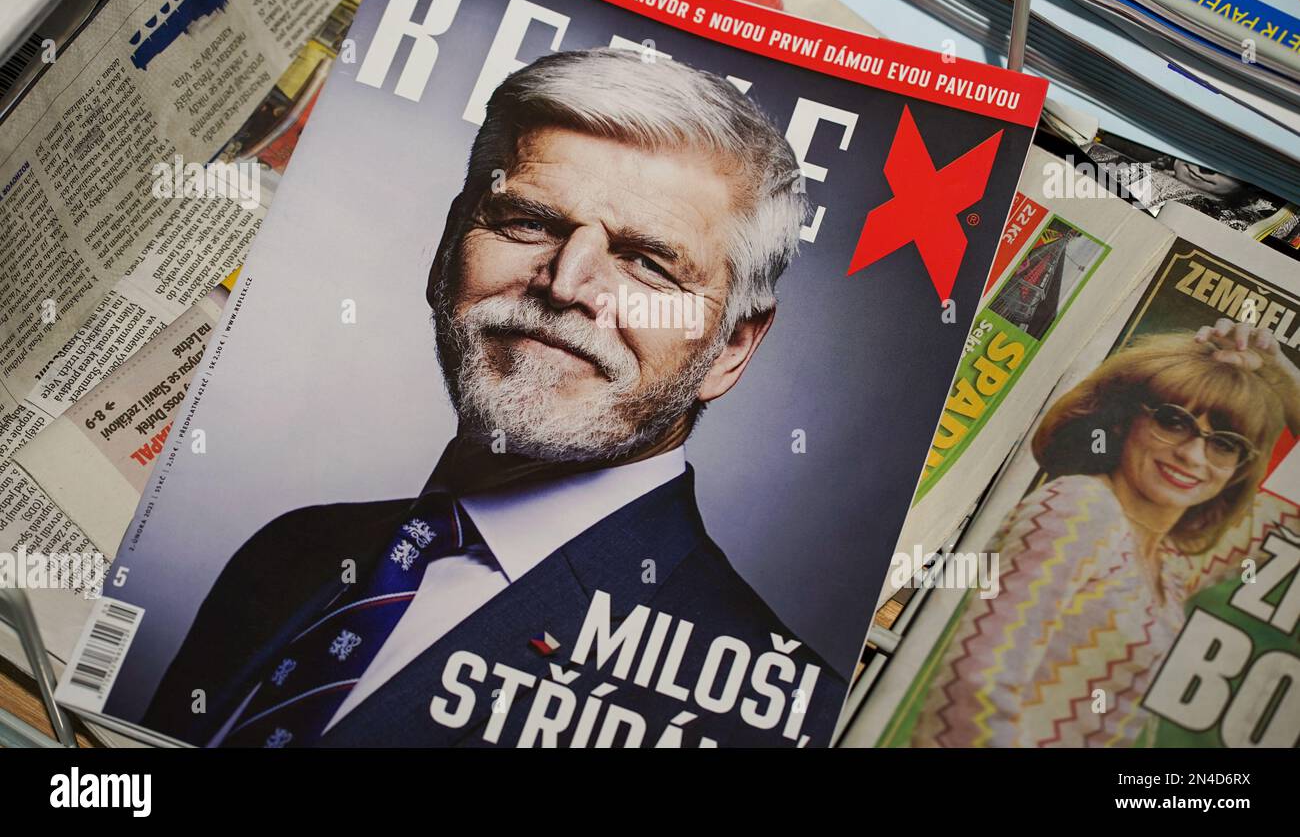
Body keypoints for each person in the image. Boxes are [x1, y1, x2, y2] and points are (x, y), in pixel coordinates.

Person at [144, 49, 843, 748]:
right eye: (530, 223)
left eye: (647, 263)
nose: (567, 284)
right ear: (448, 248)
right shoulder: (294, 550)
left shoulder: (778, 720)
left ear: (730, 348)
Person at [909, 320, 1300, 746]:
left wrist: (1282, 376)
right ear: (1122, 421)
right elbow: (974, 689)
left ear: (1238, 469)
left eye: (1223, 444)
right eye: (1173, 422)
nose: (1191, 455)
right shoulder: (1080, 510)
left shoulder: (1170, 564)